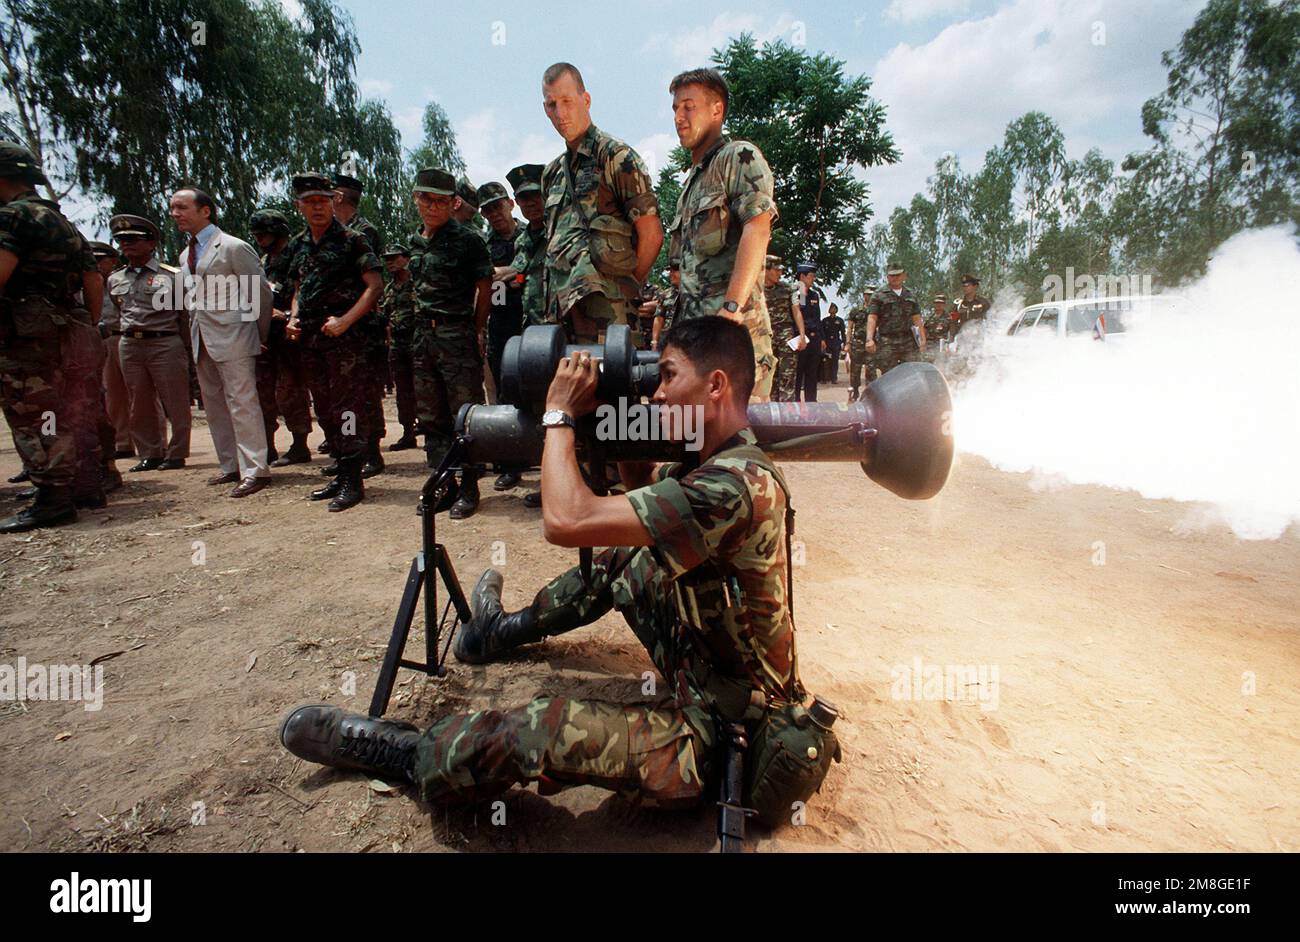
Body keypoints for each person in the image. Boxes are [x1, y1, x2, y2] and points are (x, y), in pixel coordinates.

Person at [280, 317, 830, 819]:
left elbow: (567, 521)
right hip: (703, 666)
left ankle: (408, 753)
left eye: (668, 376)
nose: (658, 392)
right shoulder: (714, 462)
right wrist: (617, 419)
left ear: (715, 385)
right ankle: (499, 631)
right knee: (625, 559)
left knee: (542, 728)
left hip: (724, 732)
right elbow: (640, 496)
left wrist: (559, 414)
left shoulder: (734, 487)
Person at [0, 141, 100, 532]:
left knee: (35, 414)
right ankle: (82, 485)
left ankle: (53, 497)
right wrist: (86, 325)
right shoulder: (62, 222)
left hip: (26, 336)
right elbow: (92, 279)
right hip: (64, 330)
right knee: (65, 410)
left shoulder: (12, 217)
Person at [665, 67, 777, 402]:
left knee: (737, 435)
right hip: (697, 349)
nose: (679, 117)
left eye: (688, 107)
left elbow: (758, 227)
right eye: (675, 109)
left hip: (734, 346)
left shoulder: (738, 157)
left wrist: (731, 309)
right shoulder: (692, 184)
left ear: (717, 110)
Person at [540, 62, 663, 343]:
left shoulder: (616, 157)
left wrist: (623, 290)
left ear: (586, 100)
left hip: (610, 317)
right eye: (552, 105)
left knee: (613, 373)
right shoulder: (552, 173)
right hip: (562, 313)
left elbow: (652, 235)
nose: (560, 114)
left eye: (567, 101)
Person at [284, 172, 383, 511]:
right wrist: (294, 316)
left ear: (333, 202)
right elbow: (299, 288)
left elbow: (374, 286)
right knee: (325, 408)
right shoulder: (298, 245)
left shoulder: (353, 240)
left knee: (348, 409)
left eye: (323, 201)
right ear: (298, 206)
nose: (317, 208)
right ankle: (341, 473)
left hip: (346, 341)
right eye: (310, 202)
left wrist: (345, 321)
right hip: (311, 340)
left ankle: (354, 479)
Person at [170, 185, 273, 497]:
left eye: (182, 207)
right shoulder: (185, 254)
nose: (175, 214)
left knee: (242, 403)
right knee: (214, 405)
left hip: (235, 336)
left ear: (205, 211)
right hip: (202, 338)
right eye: (172, 208)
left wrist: (259, 335)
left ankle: (255, 470)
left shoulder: (232, 247)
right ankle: (230, 465)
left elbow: (260, 293)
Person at [406, 167, 492, 518]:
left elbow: (485, 287)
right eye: (426, 199)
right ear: (416, 199)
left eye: (440, 201)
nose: (432, 207)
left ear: (453, 203)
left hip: (457, 337)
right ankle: (445, 485)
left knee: (465, 415)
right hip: (422, 338)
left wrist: (476, 329)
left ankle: (469, 486)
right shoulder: (414, 242)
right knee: (432, 416)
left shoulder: (469, 240)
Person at [106, 214, 192, 472]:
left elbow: (184, 315)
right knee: (139, 401)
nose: (126, 245)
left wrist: (187, 349)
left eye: (133, 239)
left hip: (164, 342)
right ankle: (151, 452)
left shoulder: (172, 276)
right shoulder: (115, 279)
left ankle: (176, 453)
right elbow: (117, 310)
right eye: (122, 240)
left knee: (175, 400)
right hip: (130, 344)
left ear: (151, 243)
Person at [248, 208, 314, 467]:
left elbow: (305, 292)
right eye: (256, 234)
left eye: (263, 234)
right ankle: (267, 446)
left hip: (290, 335)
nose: (259, 239)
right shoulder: (262, 262)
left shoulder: (297, 256)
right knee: (262, 392)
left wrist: (286, 315)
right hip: (266, 337)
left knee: (290, 391)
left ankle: (300, 444)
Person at [333, 172, 388, 478]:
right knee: (342, 395)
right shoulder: (330, 233)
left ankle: (372, 451)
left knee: (365, 391)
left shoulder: (363, 232)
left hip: (361, 324)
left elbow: (370, 282)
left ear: (339, 197)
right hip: (335, 325)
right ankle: (348, 451)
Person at [479, 180, 527, 492]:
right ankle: (511, 463)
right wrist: (513, 274)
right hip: (501, 323)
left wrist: (512, 273)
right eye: (487, 210)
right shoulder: (485, 245)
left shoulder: (531, 234)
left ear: (510, 204)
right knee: (504, 391)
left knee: (539, 388)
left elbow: (533, 269)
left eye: (498, 206)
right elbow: (485, 279)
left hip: (532, 322)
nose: (494, 214)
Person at [90, 240, 138, 459]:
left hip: (124, 337)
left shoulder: (123, 281)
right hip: (101, 340)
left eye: (101, 260)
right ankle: (122, 442)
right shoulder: (85, 283)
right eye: (93, 260)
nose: (97, 264)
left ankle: (153, 444)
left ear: (113, 261)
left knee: (139, 393)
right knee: (112, 395)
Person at [380, 244, 419, 451]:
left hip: (417, 342)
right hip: (397, 345)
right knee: (403, 391)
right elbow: (386, 318)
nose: (390, 262)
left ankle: (432, 433)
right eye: (387, 259)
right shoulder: (388, 289)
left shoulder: (418, 283)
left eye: (394, 258)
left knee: (424, 389)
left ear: (406, 259)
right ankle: (408, 433)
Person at [865, 262, 925, 379]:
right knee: (889, 376)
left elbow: (917, 319)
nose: (895, 278)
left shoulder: (911, 294)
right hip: (888, 341)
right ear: (887, 277)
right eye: (892, 275)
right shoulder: (878, 295)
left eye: (898, 275)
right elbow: (872, 318)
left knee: (912, 374)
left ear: (904, 276)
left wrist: (922, 340)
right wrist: (869, 339)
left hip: (908, 341)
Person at [506, 163, 548, 328]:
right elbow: (522, 276)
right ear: (517, 202)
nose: (531, 203)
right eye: (524, 198)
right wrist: (517, 280)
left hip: (560, 324)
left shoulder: (559, 234)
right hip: (531, 325)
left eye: (535, 195)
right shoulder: (521, 242)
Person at [763, 256, 806, 402]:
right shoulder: (755, 290)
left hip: (785, 336)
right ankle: (771, 409)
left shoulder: (789, 289)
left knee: (788, 374)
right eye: (776, 270)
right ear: (766, 270)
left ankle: (787, 409)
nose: (780, 274)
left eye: (781, 270)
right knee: (768, 376)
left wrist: (802, 335)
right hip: (765, 338)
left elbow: (797, 311)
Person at [793, 262, 825, 401]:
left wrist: (822, 338)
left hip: (814, 339)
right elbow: (797, 315)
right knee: (797, 373)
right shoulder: (796, 293)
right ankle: (795, 402)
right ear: (802, 276)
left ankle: (811, 403)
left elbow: (817, 318)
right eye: (811, 276)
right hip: (800, 339)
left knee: (812, 374)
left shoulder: (814, 295)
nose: (814, 279)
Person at [845, 284, 876, 402]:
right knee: (855, 370)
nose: (870, 297)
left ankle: (871, 395)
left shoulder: (878, 311)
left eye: (872, 295)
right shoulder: (856, 310)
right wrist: (848, 343)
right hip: (857, 344)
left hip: (872, 343)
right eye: (868, 294)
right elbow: (849, 328)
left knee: (871, 370)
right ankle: (854, 392)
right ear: (864, 295)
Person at [820, 302, 845, 384]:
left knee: (835, 361)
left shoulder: (840, 320)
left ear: (836, 310)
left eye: (834, 308)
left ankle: (834, 378)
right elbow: (822, 332)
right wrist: (822, 341)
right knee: (825, 361)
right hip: (827, 343)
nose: (832, 310)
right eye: (830, 308)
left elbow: (843, 332)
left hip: (836, 343)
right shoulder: (825, 320)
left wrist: (844, 343)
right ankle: (824, 378)